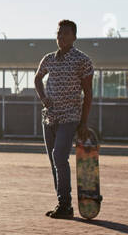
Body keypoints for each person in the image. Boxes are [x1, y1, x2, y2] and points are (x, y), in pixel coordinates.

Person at [34, 20, 94, 219]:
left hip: (70, 116)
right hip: (50, 117)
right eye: (59, 33)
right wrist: (43, 98)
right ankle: (62, 202)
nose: (61, 37)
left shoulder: (82, 60)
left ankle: (65, 204)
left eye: (66, 34)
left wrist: (83, 122)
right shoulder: (49, 59)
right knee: (54, 160)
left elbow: (88, 94)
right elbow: (37, 78)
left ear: (74, 37)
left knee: (59, 156)